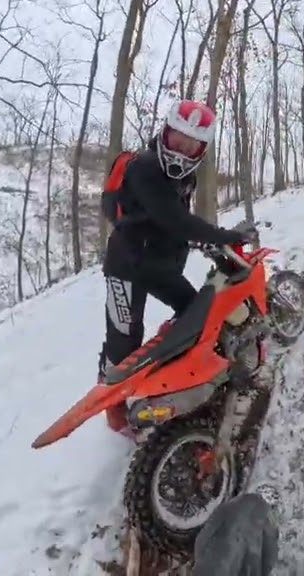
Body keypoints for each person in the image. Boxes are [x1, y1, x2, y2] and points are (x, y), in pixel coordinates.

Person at [99, 99, 256, 435]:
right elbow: (175, 219)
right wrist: (224, 235)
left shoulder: (189, 177)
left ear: (202, 149)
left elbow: (174, 222)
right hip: (125, 265)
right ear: (164, 132)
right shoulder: (144, 169)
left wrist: (208, 244)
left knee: (195, 313)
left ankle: (176, 371)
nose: (181, 151)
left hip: (160, 265)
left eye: (191, 145)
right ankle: (112, 406)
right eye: (176, 140)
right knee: (123, 339)